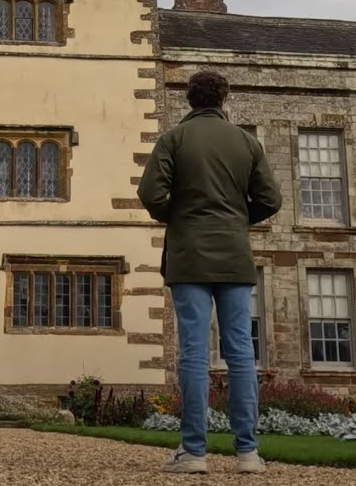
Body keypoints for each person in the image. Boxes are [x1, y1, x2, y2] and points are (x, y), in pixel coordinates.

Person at [137, 70, 282, 475]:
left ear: (189, 99)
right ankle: (248, 453)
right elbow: (271, 199)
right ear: (224, 99)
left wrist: (180, 216)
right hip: (234, 256)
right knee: (241, 352)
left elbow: (149, 194)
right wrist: (236, 218)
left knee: (194, 352)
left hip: (189, 256)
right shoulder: (246, 142)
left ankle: (193, 452)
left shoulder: (173, 139)